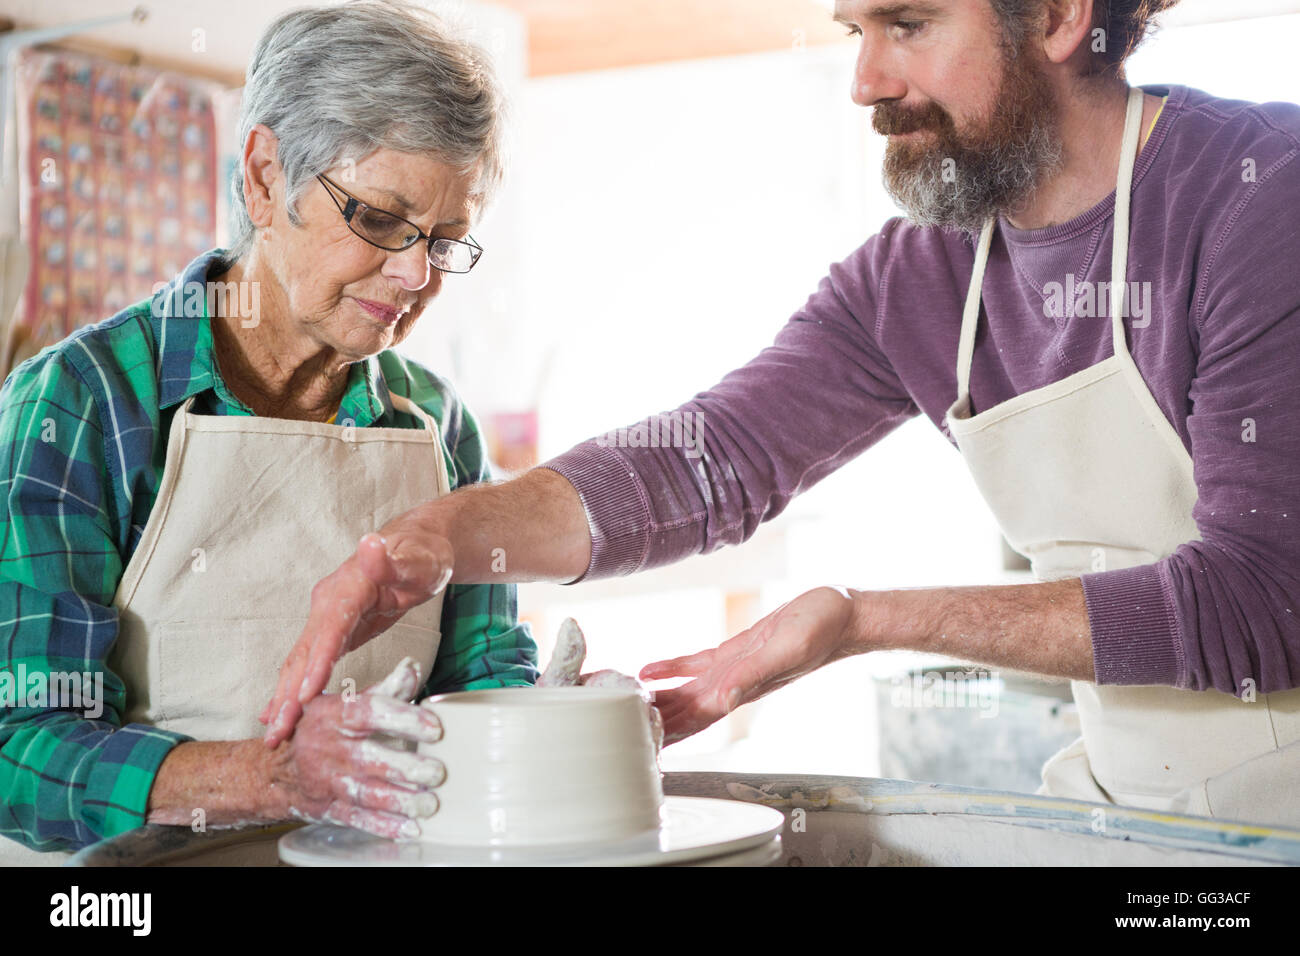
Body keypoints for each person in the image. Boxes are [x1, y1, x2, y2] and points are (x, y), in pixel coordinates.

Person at [268, 0, 1300, 829]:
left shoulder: (1260, 197)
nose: (865, 81)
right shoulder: (918, 275)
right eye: (857, 32)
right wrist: (434, 541)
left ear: (1063, 18)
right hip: (1138, 814)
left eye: (909, 25)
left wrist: (860, 618)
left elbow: (1266, 602)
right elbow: (706, 461)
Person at [0, 0, 537, 864]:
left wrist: (556, 721)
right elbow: (16, 746)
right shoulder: (80, 405)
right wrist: (270, 777)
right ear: (261, 178)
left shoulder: (438, 426)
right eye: (378, 220)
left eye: (443, 241)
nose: (413, 274)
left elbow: (483, 675)